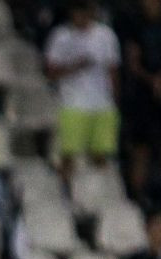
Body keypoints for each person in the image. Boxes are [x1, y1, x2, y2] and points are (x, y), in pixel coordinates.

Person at [42, 1, 121, 183]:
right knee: (69, 155)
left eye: (85, 12)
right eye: (77, 12)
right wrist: (75, 66)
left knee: (101, 155)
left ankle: (100, 192)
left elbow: (113, 70)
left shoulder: (106, 35)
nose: (81, 17)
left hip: (102, 104)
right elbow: (50, 73)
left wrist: (115, 99)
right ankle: (64, 191)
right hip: (73, 105)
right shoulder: (60, 36)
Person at [121, 0, 161, 191]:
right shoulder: (135, 22)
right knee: (140, 147)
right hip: (142, 91)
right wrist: (151, 80)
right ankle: (137, 196)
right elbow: (133, 61)